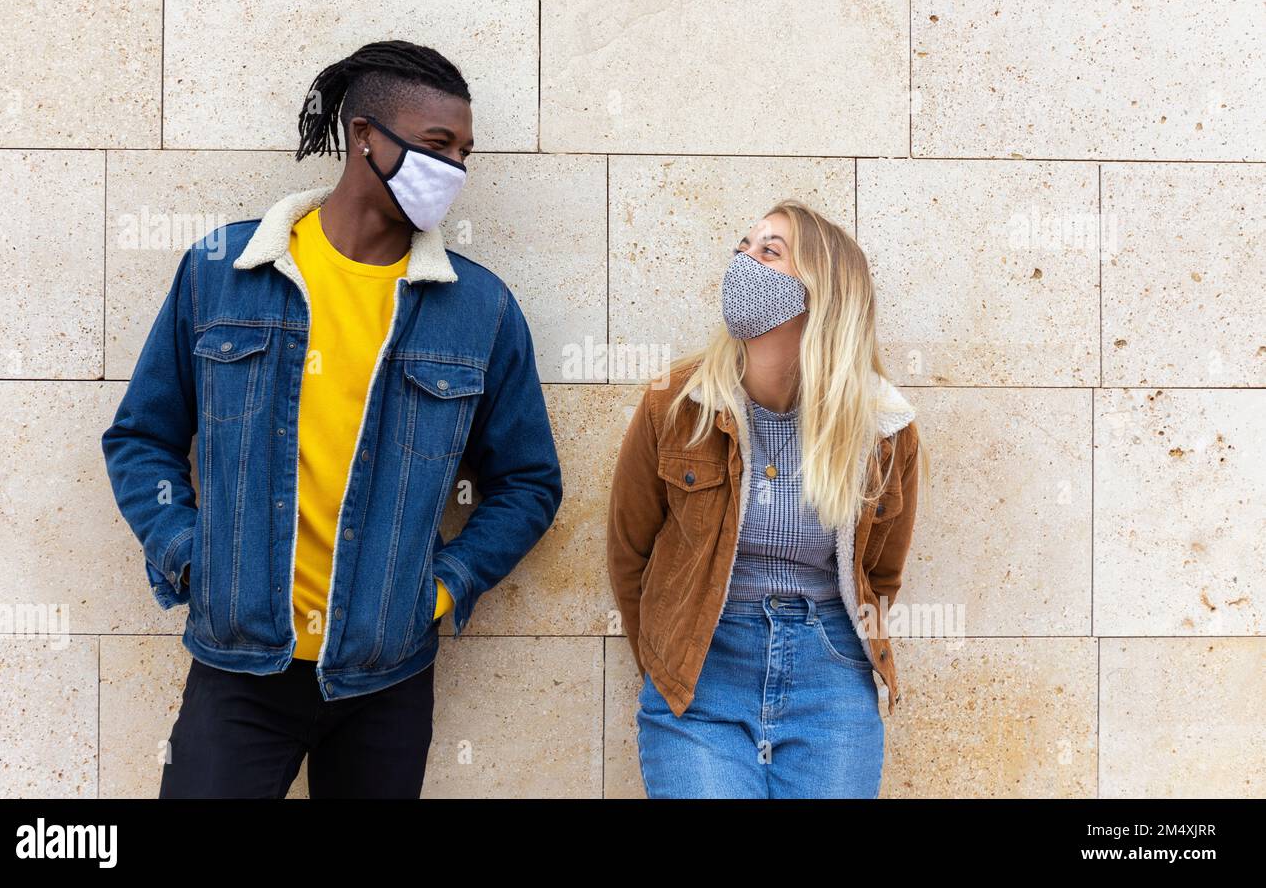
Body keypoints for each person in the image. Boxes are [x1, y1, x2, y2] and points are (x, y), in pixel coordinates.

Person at [102, 39, 563, 798]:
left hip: (386, 678)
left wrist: (441, 589)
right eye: (436, 145)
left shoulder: (478, 310)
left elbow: (528, 484)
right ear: (364, 136)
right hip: (240, 665)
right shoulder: (225, 270)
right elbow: (141, 437)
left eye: (465, 153)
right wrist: (189, 552)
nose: (453, 171)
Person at [606, 199, 927, 798]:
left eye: (769, 250)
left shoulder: (884, 426)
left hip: (831, 677)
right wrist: (663, 659)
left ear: (822, 293)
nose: (743, 260)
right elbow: (630, 550)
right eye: (744, 246)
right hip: (700, 672)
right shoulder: (675, 403)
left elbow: (880, 573)